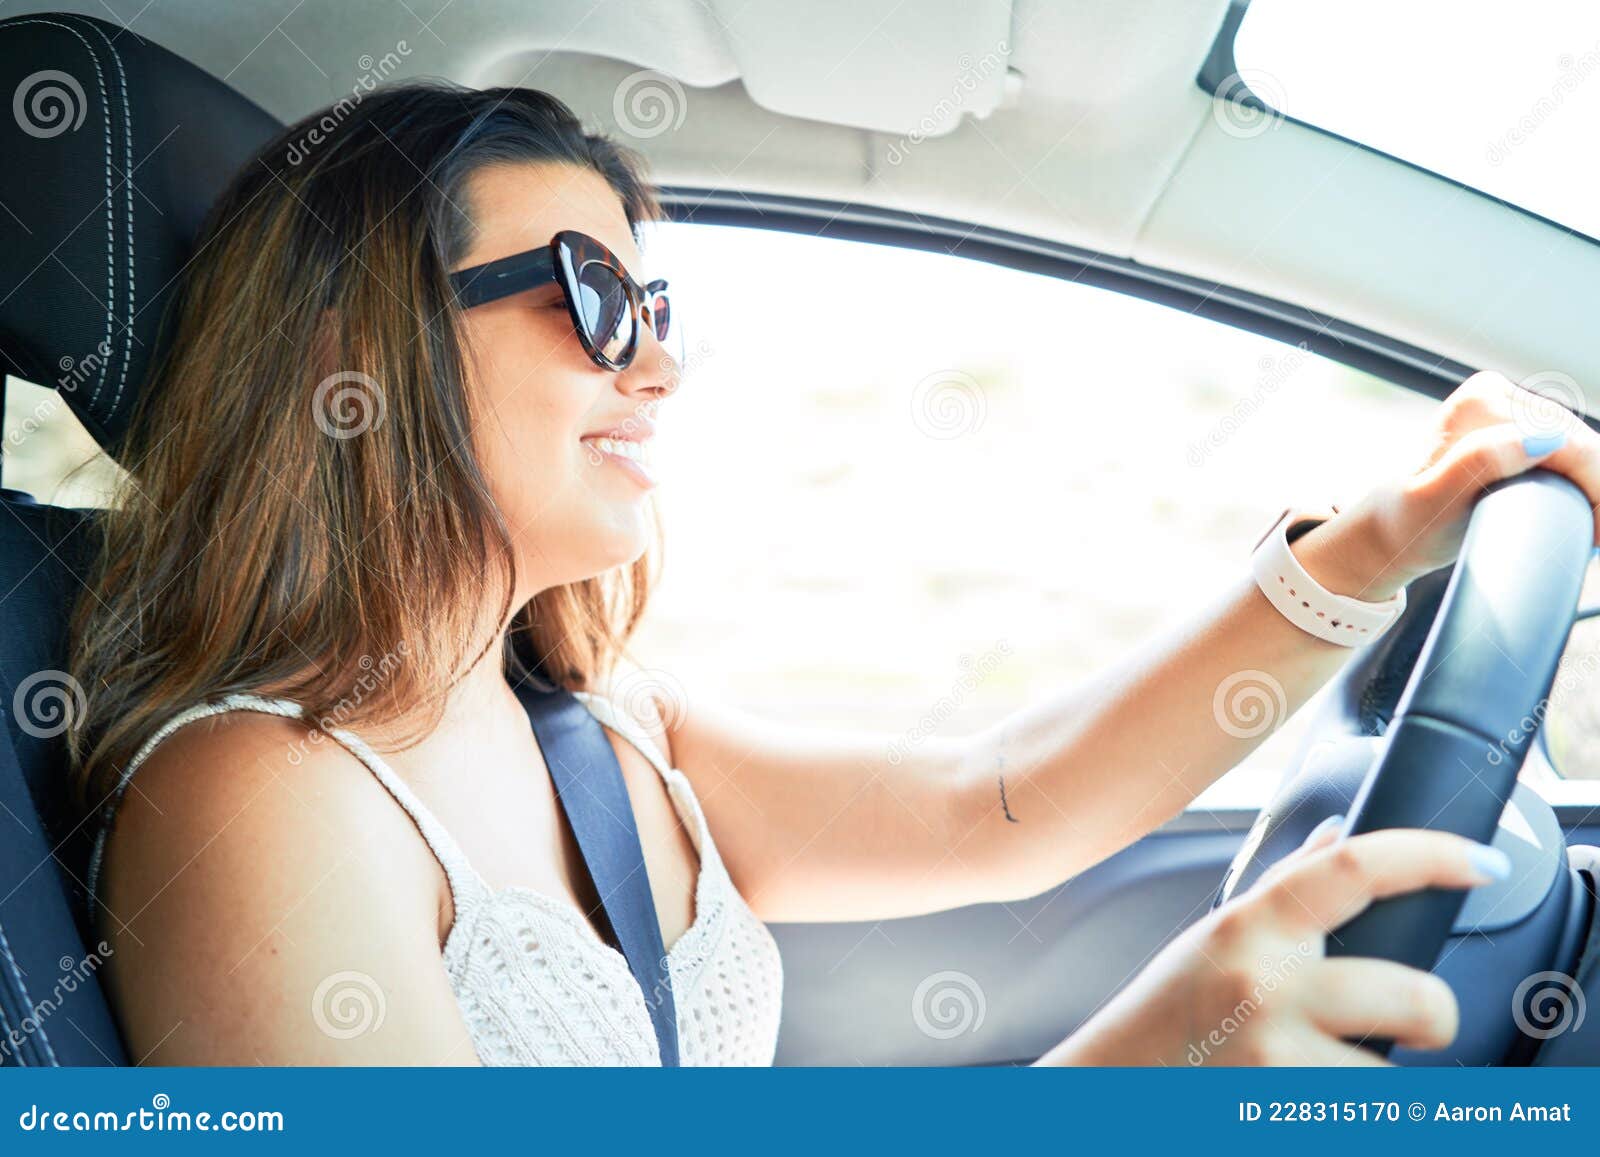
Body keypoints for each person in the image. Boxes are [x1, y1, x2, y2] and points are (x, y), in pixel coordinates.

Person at [69, 82, 1600, 1066]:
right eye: (595, 299)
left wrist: (1379, 542)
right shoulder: (258, 795)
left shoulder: (598, 727)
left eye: (654, 297)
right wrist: (1158, 1053)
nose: (660, 361)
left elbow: (1001, 800)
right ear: (362, 357)